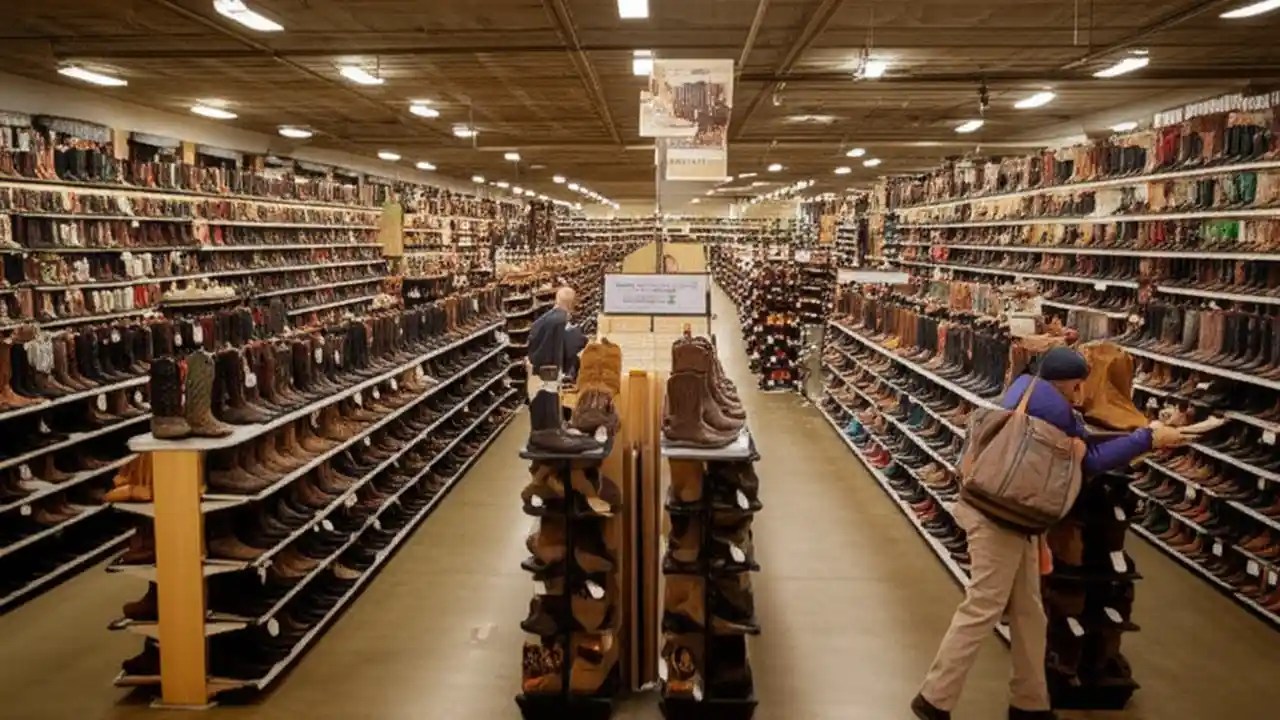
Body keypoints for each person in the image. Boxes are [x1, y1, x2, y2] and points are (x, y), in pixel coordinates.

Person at [911, 346, 1186, 720]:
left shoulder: (1026, 390)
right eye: (1079, 385)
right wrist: (1147, 440)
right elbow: (1088, 460)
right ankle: (933, 699)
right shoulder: (1056, 412)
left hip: (1009, 513)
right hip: (1001, 518)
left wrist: (1142, 437)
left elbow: (1079, 444)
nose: (1081, 393)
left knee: (1029, 612)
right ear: (1070, 383)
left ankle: (1030, 704)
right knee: (983, 606)